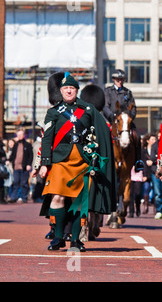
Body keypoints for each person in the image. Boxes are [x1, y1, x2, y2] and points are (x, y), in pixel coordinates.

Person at [38, 72, 116, 251]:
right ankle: (57, 237)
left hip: (82, 161)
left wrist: (99, 155)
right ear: (61, 90)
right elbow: (47, 138)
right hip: (60, 160)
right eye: (65, 88)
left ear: (76, 90)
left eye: (72, 88)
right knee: (57, 197)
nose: (68, 91)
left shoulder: (88, 110)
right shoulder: (53, 112)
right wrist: (44, 163)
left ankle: (75, 239)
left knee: (79, 201)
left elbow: (102, 132)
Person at [103, 69, 143, 171]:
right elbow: (105, 106)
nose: (119, 81)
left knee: (136, 136)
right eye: (117, 79)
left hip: (125, 122)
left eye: (121, 79)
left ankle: (138, 161)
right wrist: (112, 116)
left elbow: (133, 108)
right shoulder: (108, 91)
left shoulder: (128, 92)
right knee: (102, 136)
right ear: (113, 79)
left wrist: (130, 117)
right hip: (111, 120)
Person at [8, 127, 33, 203]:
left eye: (21, 135)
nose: (19, 136)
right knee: (15, 182)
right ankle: (13, 197)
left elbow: (30, 155)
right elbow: (12, 155)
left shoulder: (28, 145)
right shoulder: (15, 145)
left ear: (24, 135)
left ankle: (24, 197)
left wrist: (29, 164)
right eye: (18, 135)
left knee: (24, 183)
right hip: (16, 167)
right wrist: (8, 160)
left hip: (24, 167)